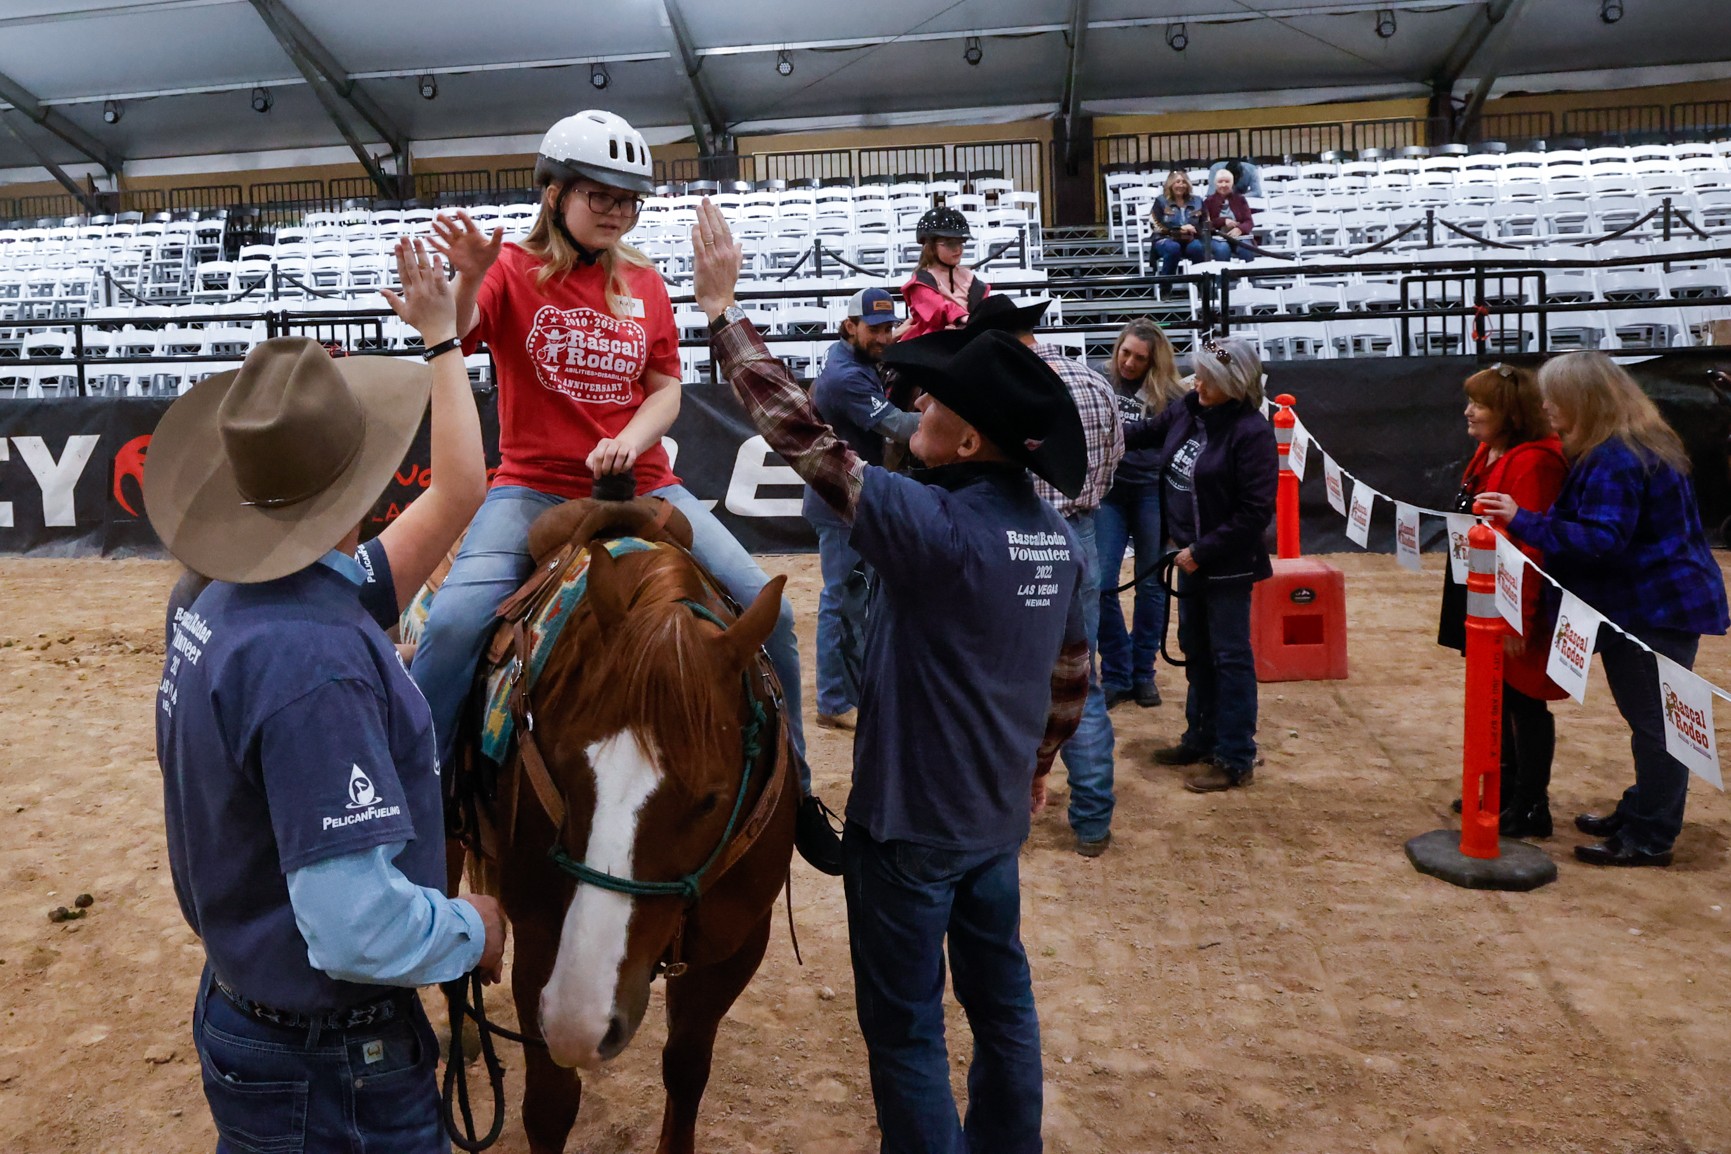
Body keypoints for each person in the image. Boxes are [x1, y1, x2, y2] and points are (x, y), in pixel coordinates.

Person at [695, 198, 1089, 1153]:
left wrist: (722, 315)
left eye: (935, 405)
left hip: (909, 824)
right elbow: (1071, 680)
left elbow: (803, 439)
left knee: (907, 1030)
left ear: (966, 443)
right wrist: (1035, 768)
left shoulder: (930, 526)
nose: (917, 404)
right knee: (1002, 1006)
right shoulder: (1057, 541)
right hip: (991, 822)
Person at [410, 109, 844, 874]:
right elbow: (461, 324)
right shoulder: (510, 269)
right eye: (598, 194)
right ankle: (424, 792)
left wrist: (632, 440)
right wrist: (472, 273)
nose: (615, 209)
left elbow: (666, 388)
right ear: (554, 195)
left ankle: (797, 790)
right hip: (534, 488)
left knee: (762, 609)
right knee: (452, 626)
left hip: (646, 483)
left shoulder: (642, 281)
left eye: (627, 199)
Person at [146, 241, 506, 1153]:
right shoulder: (314, 654)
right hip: (332, 1054)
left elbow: (464, 489)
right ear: (359, 486)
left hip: (248, 1013)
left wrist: (441, 341)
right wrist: (471, 927)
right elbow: (353, 929)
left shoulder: (222, 593)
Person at [1478, 352, 1730, 868]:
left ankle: (1651, 834)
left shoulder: (1616, 456)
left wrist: (1524, 519)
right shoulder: (1633, 443)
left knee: (1655, 727)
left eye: (1557, 397)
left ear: (1584, 401)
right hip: (1653, 602)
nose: (1546, 406)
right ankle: (1642, 809)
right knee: (1650, 720)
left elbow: (1601, 539)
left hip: (1650, 609)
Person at [965, 294, 1125, 856]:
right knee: (1082, 678)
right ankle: (1092, 819)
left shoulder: (999, 391)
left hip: (1018, 538)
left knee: (1005, 675)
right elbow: (1113, 460)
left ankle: (1003, 806)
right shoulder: (1094, 382)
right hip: (1082, 534)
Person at [1132, 335, 1278, 792]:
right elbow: (1144, 434)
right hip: (1188, 556)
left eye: (1208, 379)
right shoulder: (1189, 409)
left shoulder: (1252, 433)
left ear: (1233, 384)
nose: (1198, 384)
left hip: (1224, 564)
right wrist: (1094, 427)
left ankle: (1235, 756)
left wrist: (1201, 551)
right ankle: (1200, 736)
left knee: (1230, 657)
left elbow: (1255, 512)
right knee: (1195, 647)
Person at [1436, 364, 1568, 838]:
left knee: (1525, 701)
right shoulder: (1491, 450)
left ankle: (1532, 804)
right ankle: (1507, 787)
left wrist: (1517, 620)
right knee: (1500, 695)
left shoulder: (1536, 461)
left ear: (1509, 413)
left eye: (1480, 404)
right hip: (1483, 592)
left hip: (1516, 602)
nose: (1468, 411)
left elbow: (1531, 549)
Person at [806, 286, 918, 731]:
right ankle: (833, 701)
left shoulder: (853, 359)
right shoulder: (846, 377)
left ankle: (847, 691)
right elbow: (901, 426)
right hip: (840, 502)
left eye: (890, 327)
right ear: (850, 326)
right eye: (875, 329)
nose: (885, 337)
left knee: (856, 597)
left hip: (848, 497)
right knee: (843, 599)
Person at [1092, 318, 1185, 711]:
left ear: (1154, 361)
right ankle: (1117, 671)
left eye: (1139, 357)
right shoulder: (1100, 381)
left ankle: (1143, 673)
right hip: (1109, 492)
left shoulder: (1174, 397)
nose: (1128, 362)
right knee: (1101, 584)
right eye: (1124, 352)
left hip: (1153, 492)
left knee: (1151, 585)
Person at [897, 206, 989, 340]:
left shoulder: (969, 278)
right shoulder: (922, 281)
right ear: (930, 247)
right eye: (950, 244)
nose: (958, 249)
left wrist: (969, 325)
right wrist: (962, 318)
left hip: (968, 337)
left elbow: (982, 308)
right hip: (932, 342)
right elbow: (937, 308)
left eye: (961, 243)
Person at [1149, 170, 1207, 276]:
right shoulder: (1160, 201)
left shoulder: (1198, 201)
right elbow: (1155, 225)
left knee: (1197, 247)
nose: (1181, 185)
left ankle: (1200, 285)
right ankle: (1166, 285)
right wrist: (1179, 230)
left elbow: (1206, 223)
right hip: (1165, 239)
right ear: (1171, 184)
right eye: (1178, 182)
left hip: (1190, 239)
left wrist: (1195, 230)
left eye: (1184, 182)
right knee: (1173, 248)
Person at [1202, 167, 1256, 262]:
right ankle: (1223, 276)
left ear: (1232, 183)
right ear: (1215, 184)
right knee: (1222, 249)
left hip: (1239, 236)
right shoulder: (1208, 201)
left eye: (1227, 182)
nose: (1223, 185)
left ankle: (1248, 276)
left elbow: (1249, 221)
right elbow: (1207, 224)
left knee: (1246, 249)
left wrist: (1240, 229)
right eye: (1220, 182)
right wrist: (1223, 221)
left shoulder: (1240, 199)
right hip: (1216, 237)